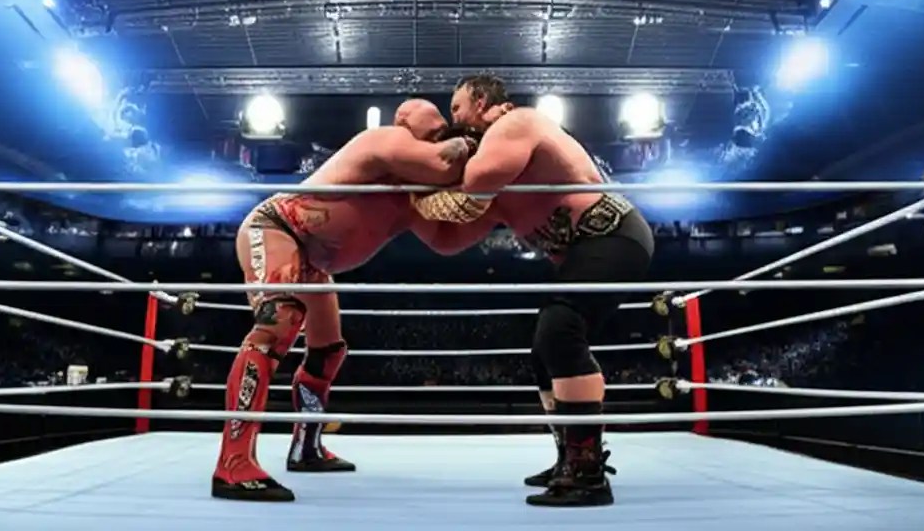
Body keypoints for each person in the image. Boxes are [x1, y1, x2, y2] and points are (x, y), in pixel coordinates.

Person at [212, 99, 477, 502]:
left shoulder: (413, 197)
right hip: (277, 227)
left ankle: (307, 446)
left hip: (314, 259)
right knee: (277, 323)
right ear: (404, 120)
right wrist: (478, 145)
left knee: (328, 350)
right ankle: (233, 463)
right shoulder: (383, 141)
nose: (443, 129)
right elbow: (443, 163)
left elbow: (446, 243)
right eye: (436, 124)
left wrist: (492, 212)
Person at [409, 74, 655, 507]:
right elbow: (448, 242)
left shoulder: (515, 122)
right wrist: (408, 205)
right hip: (587, 249)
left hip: (612, 233)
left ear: (483, 101)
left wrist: (437, 168)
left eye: (458, 109)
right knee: (545, 349)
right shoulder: (500, 189)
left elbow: (479, 175)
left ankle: (586, 471)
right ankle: (569, 456)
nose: (454, 121)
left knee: (560, 330)